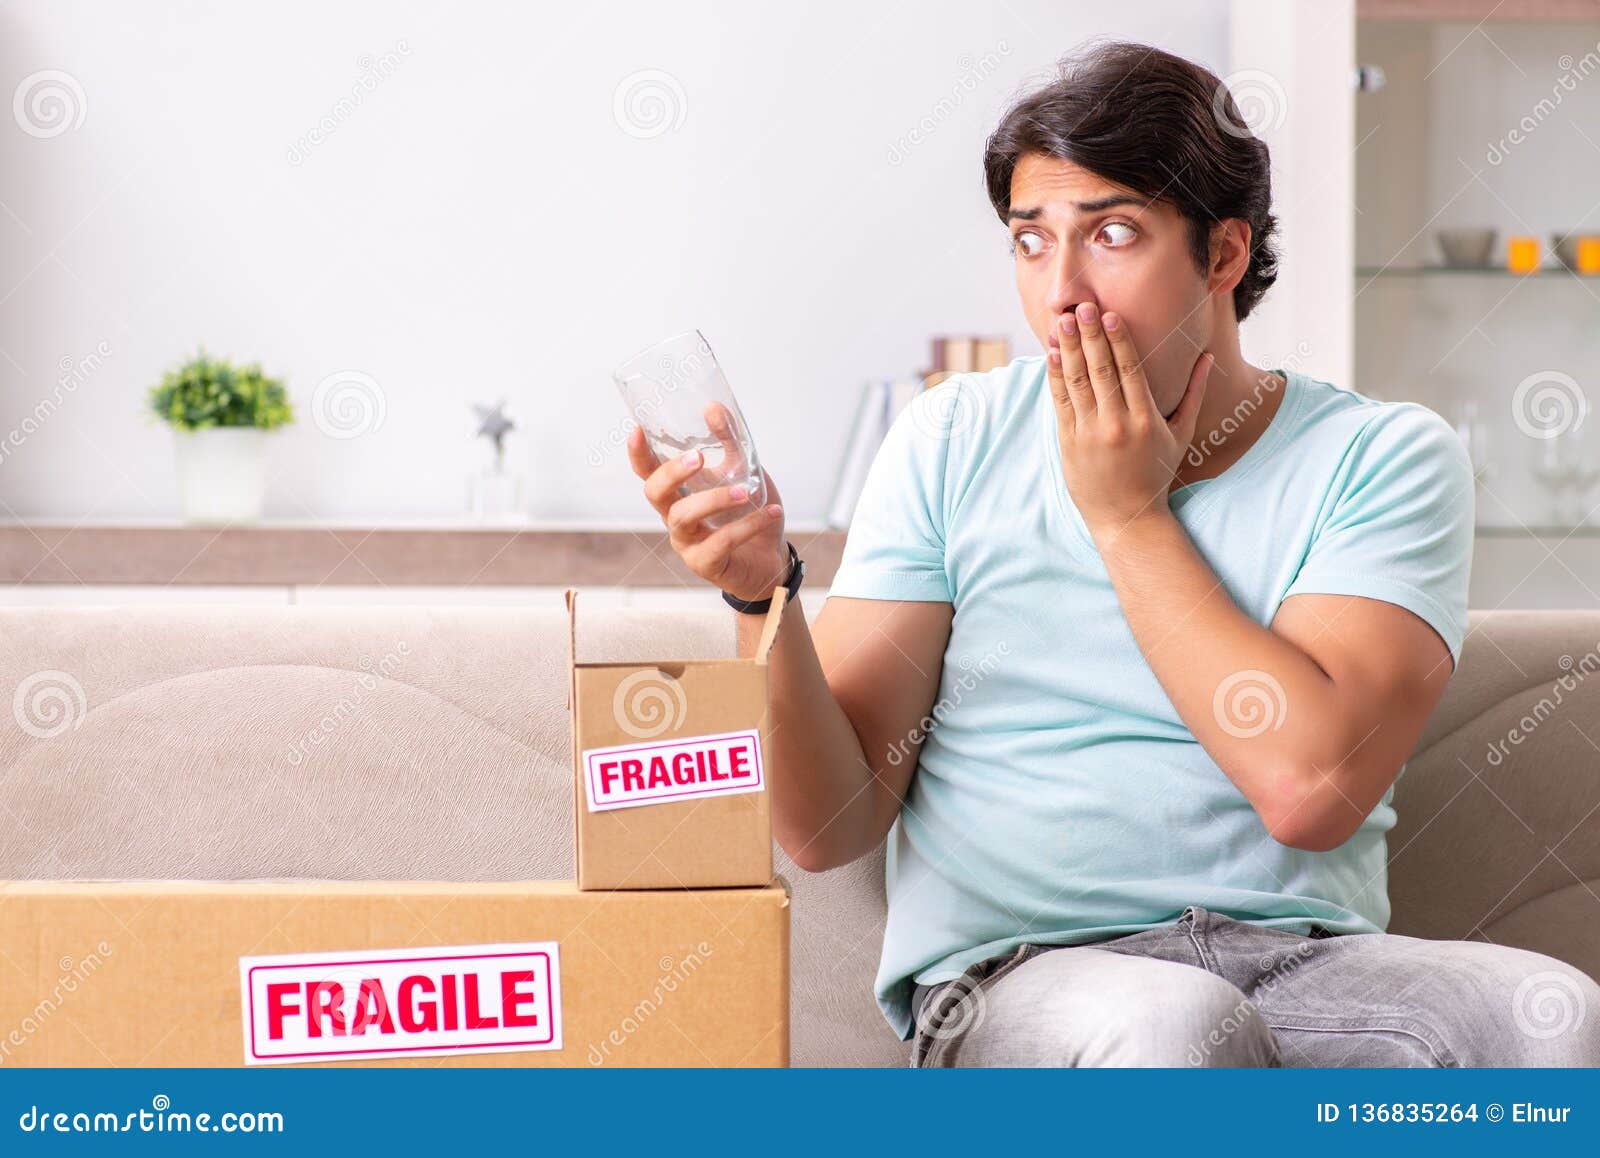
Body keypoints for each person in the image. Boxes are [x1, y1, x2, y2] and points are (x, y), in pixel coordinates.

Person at [627, 39, 1600, 1067]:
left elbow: (1311, 792)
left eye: (1113, 233)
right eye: (1030, 240)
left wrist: (1129, 518)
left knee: (1549, 1014)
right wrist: (762, 598)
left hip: (1307, 969)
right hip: (1021, 979)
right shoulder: (951, 438)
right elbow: (828, 826)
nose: (1062, 292)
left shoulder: (1381, 457)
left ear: (1222, 255)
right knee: (1172, 1027)